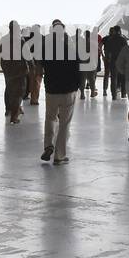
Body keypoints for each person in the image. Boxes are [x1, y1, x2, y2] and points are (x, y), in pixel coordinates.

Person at [40, 20, 82, 166]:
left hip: (51, 89)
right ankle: (59, 155)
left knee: (50, 118)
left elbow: (42, 67)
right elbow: (78, 70)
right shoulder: (70, 49)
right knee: (64, 123)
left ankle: (48, 146)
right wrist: (78, 87)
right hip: (68, 90)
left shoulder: (46, 50)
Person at [0, 21, 29, 124]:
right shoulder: (20, 40)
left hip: (8, 69)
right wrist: (31, 66)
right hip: (19, 70)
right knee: (19, 92)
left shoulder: (3, 39)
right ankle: (14, 117)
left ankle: (8, 109)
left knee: (9, 89)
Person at [102, 25, 128, 99]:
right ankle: (123, 94)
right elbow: (126, 50)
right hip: (122, 61)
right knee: (123, 78)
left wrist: (108, 59)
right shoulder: (123, 39)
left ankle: (114, 95)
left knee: (113, 78)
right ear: (119, 30)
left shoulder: (110, 39)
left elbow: (108, 51)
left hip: (113, 61)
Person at [82, 29, 100, 98]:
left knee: (82, 78)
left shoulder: (80, 42)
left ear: (84, 35)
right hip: (91, 62)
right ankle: (92, 93)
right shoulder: (94, 43)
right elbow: (98, 52)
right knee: (92, 78)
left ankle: (82, 94)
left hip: (82, 62)